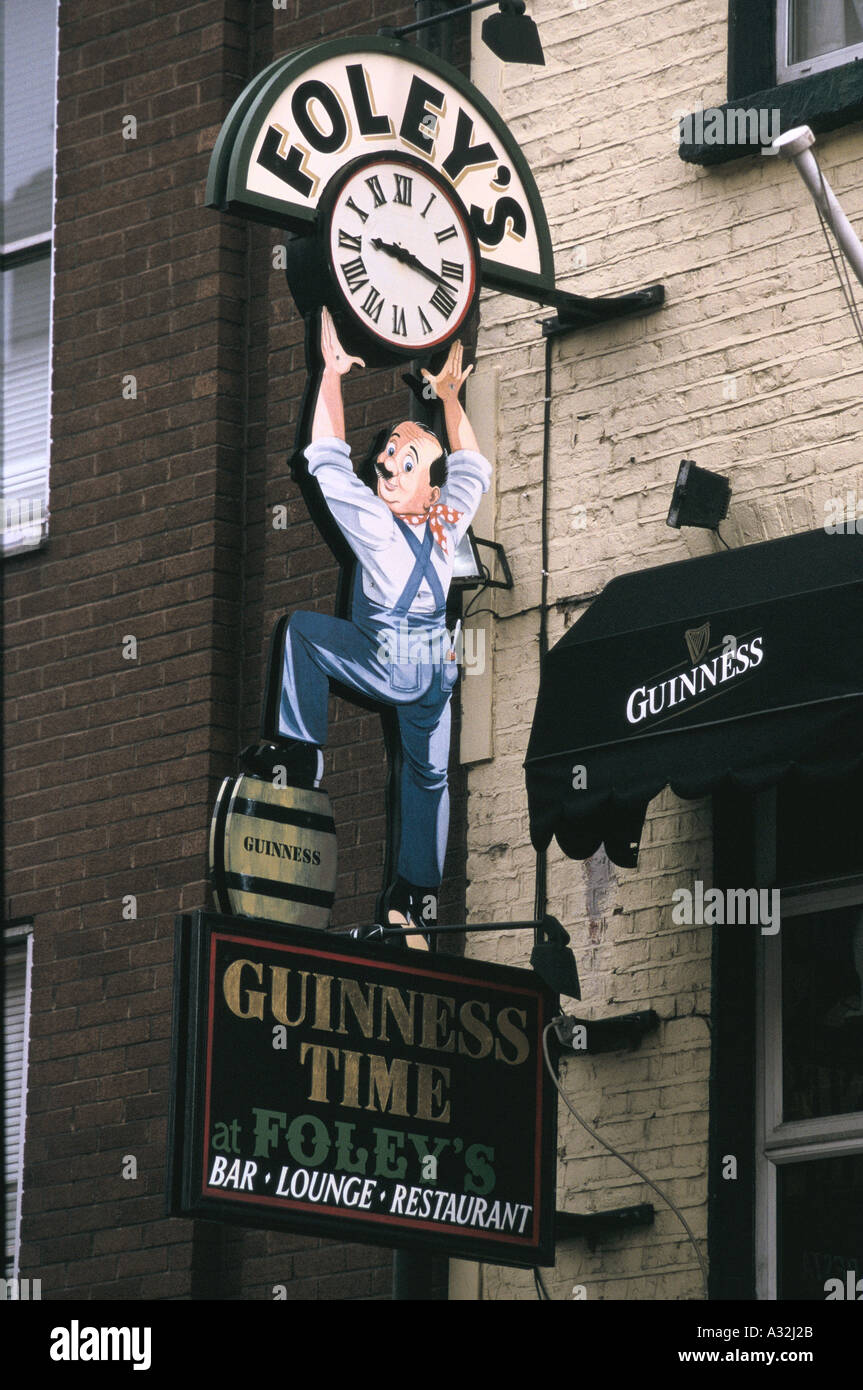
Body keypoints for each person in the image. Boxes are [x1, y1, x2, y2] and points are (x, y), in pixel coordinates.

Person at [241, 309, 491, 936]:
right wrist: (450, 401)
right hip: (437, 669)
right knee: (428, 775)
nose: (384, 464)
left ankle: (299, 758)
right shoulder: (447, 519)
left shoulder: (380, 527)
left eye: (403, 462)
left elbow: (325, 459)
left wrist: (330, 375)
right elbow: (473, 466)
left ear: (424, 488)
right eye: (387, 451)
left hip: (389, 658)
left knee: (302, 633)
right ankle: (415, 897)